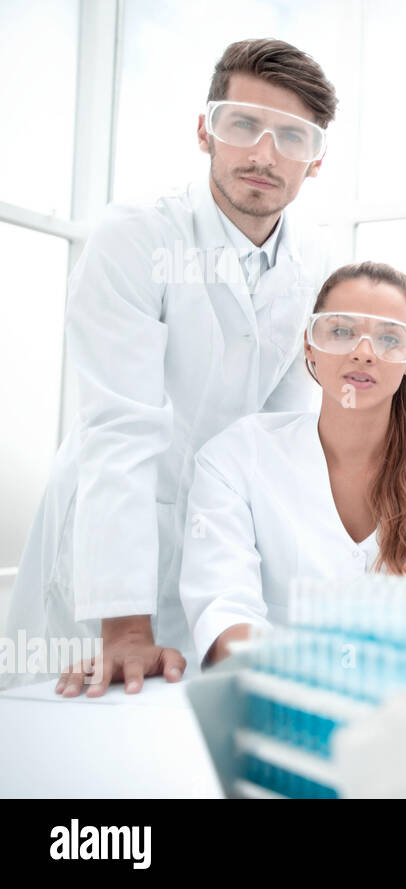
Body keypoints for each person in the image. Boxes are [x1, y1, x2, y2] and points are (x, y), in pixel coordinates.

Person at [14, 39, 338, 696]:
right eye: (243, 124)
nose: (264, 154)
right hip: (108, 559)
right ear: (205, 130)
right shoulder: (134, 237)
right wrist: (125, 624)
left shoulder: (316, 271)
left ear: (317, 159)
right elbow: (121, 429)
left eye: (292, 136)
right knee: (78, 731)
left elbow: (280, 452)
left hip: (214, 554)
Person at [179, 262, 406, 666]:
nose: (363, 352)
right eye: (341, 332)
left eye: (389, 338)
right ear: (309, 343)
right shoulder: (237, 456)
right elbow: (225, 612)